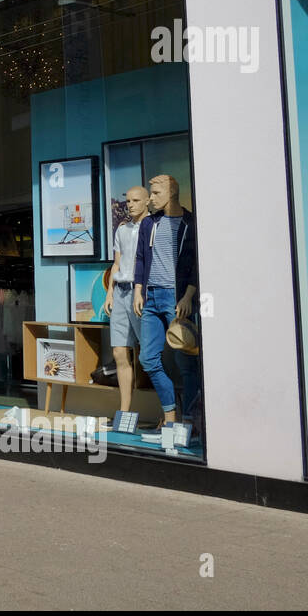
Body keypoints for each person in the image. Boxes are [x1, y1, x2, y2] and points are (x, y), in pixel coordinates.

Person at [133, 174, 201, 432]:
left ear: (171, 193)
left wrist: (187, 296)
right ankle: (170, 412)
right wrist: (139, 290)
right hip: (150, 298)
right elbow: (140, 258)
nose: (151, 199)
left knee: (186, 362)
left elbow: (196, 261)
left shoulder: (190, 222)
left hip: (177, 299)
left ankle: (190, 419)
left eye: (156, 193)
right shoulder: (149, 223)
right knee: (148, 358)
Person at [102, 186, 150, 414]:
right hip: (120, 291)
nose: (130, 204)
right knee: (119, 352)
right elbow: (116, 264)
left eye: (135, 200)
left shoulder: (152, 227)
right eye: (128, 200)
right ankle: (125, 412)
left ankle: (169, 414)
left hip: (140, 293)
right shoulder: (121, 230)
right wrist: (109, 292)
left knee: (150, 355)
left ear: (147, 201)